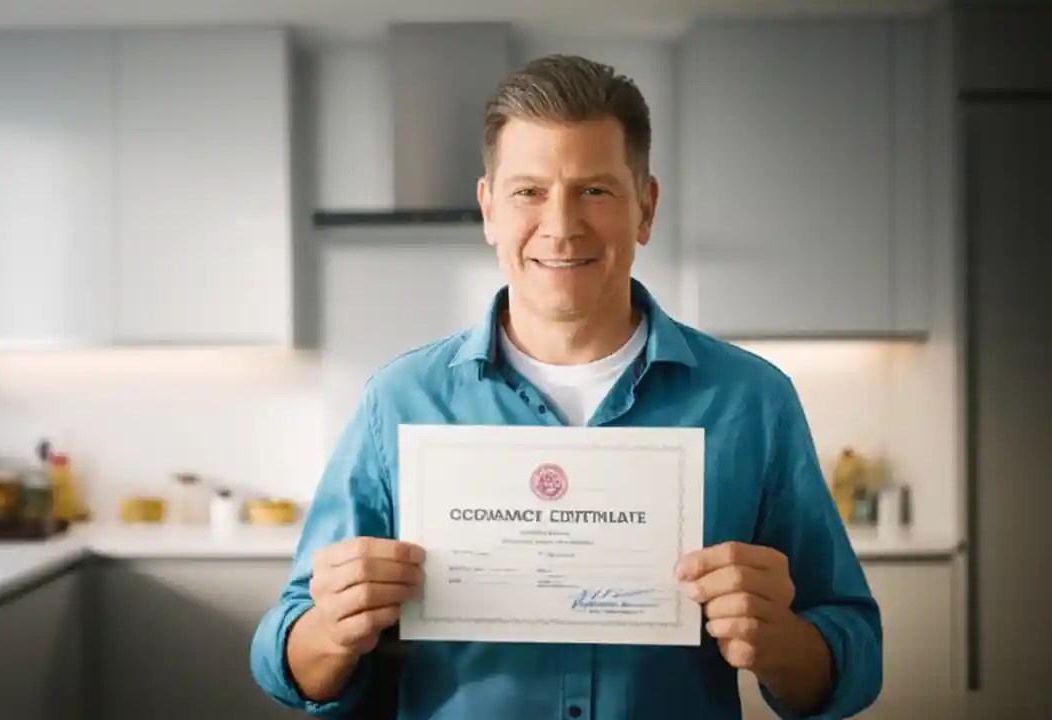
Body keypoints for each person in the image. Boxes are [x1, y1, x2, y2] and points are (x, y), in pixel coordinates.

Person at [250, 53, 881, 719]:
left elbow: (855, 657)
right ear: (489, 209)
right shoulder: (399, 400)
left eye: (595, 191)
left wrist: (779, 641)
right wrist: (332, 630)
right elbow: (283, 659)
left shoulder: (752, 401)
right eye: (529, 192)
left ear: (646, 208)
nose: (560, 226)